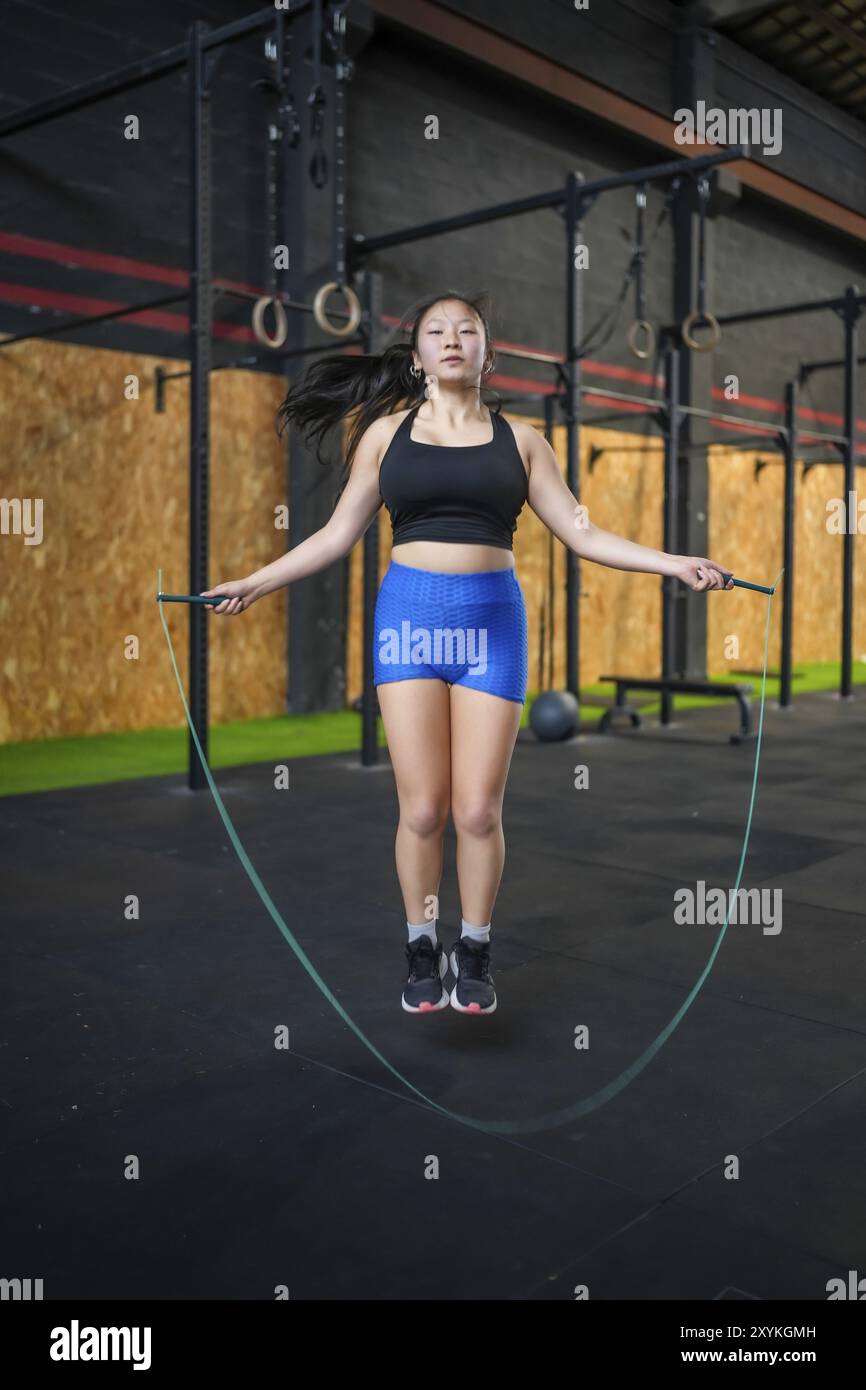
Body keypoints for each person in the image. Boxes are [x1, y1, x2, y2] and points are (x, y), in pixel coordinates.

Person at [200, 288, 733, 1018]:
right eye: (437, 331)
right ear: (418, 355)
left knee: (478, 810)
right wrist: (255, 583)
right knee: (423, 810)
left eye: (467, 331)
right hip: (410, 624)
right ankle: (422, 944)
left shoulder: (524, 443)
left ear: (487, 352)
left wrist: (674, 561)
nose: (453, 340)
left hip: (492, 627)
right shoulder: (386, 436)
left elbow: (584, 533)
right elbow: (334, 535)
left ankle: (473, 949)